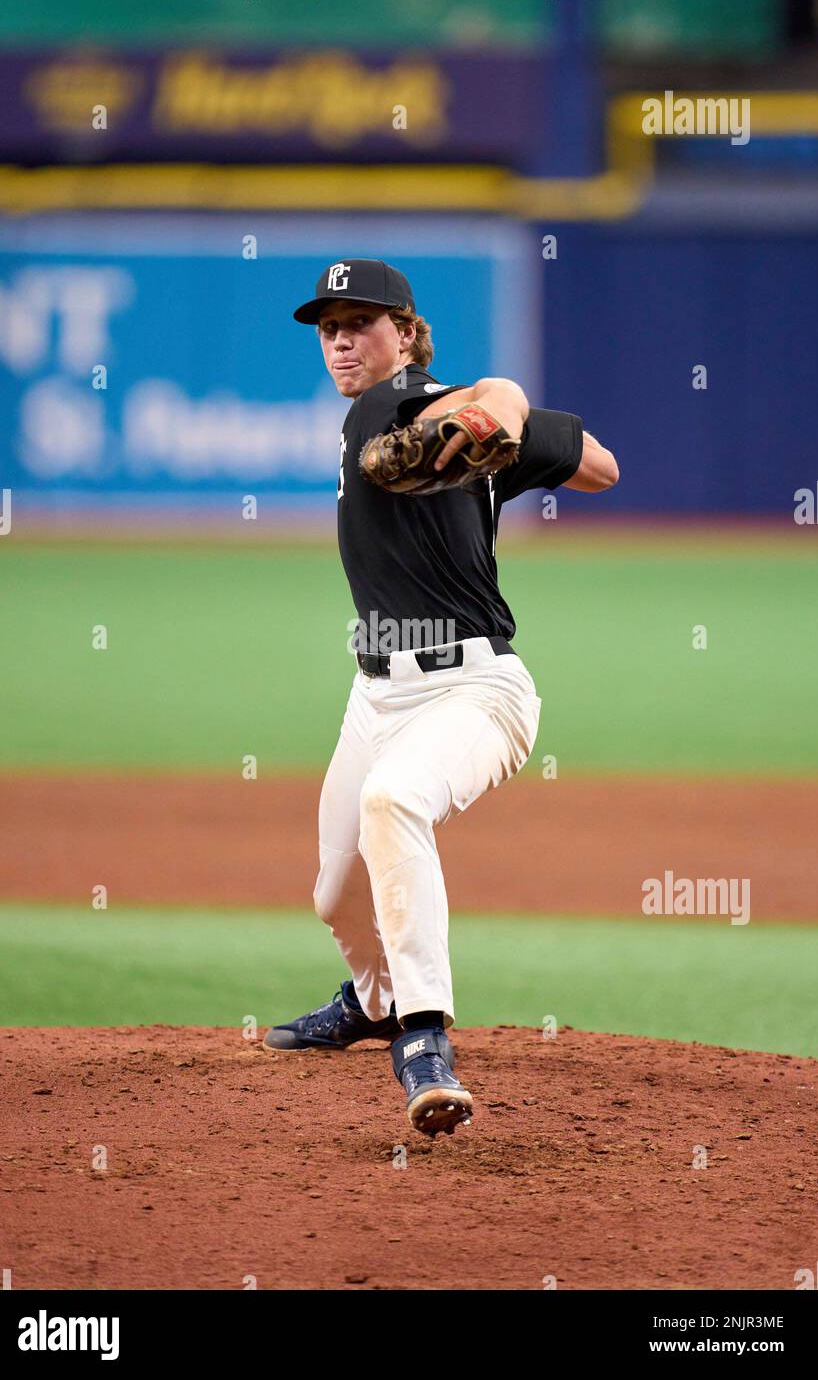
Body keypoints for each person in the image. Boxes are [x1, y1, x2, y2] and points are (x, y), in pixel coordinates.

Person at [263, 259, 619, 1137]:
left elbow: (595, 464)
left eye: (363, 323)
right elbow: (581, 458)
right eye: (329, 327)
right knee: (335, 893)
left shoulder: (409, 405)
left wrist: (492, 410)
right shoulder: (383, 415)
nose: (343, 340)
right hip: (375, 695)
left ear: (407, 332)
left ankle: (422, 1037)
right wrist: (490, 430)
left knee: (396, 802)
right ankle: (376, 999)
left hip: (477, 689)